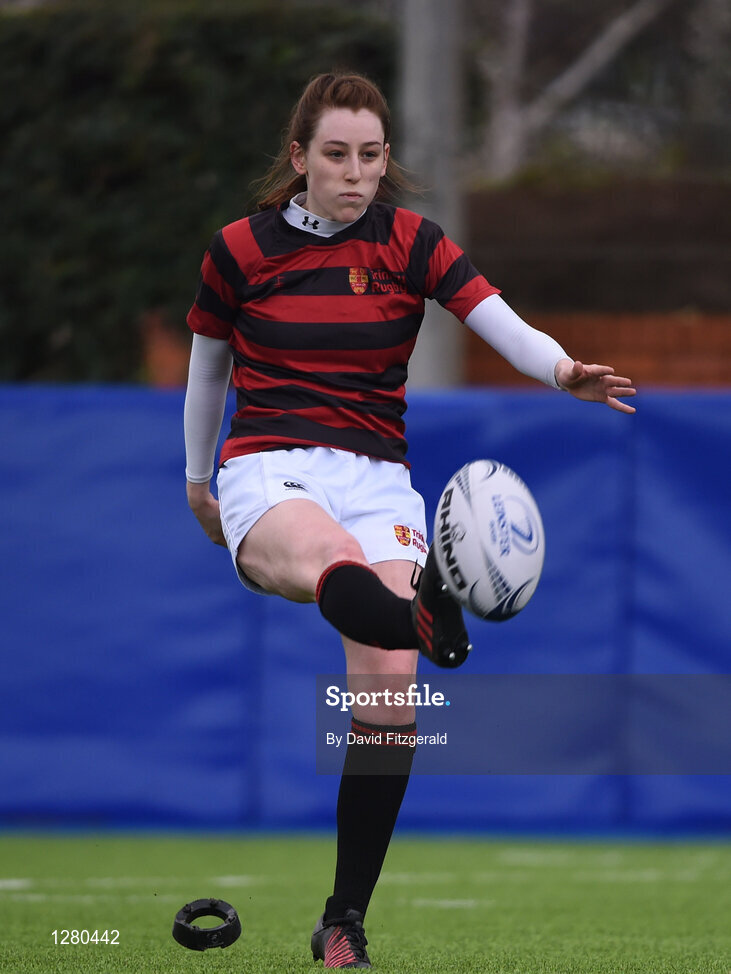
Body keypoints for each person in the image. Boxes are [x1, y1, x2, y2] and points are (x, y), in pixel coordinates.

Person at [183, 72, 636, 969]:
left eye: (371, 155)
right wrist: (199, 481)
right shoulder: (239, 249)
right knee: (334, 562)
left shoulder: (411, 243)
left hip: (379, 476)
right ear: (300, 157)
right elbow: (207, 370)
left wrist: (561, 371)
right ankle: (427, 614)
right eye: (337, 155)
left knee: (389, 686)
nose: (355, 173)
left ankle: (341, 922)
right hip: (268, 465)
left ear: (386, 159)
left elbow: (495, 319)